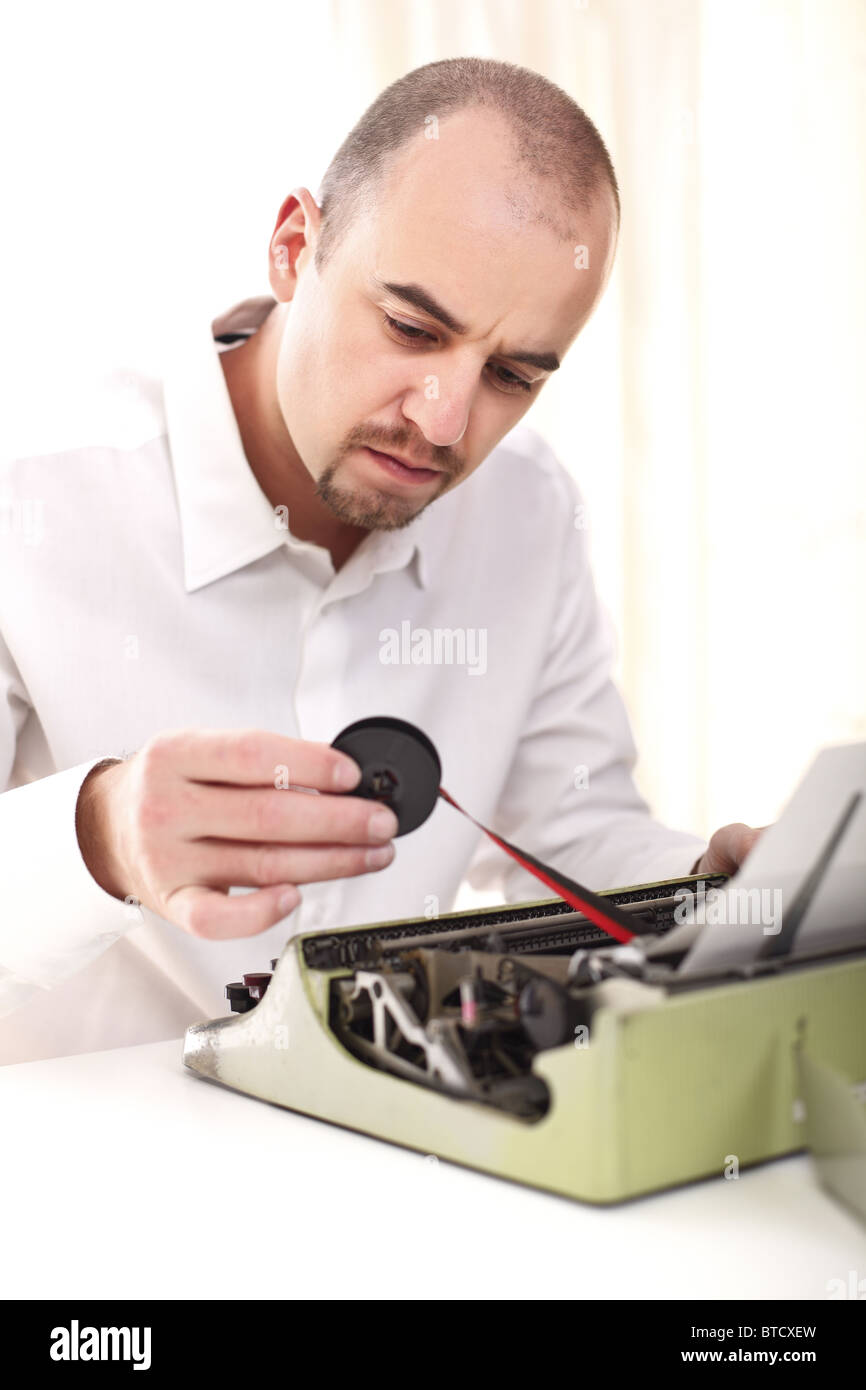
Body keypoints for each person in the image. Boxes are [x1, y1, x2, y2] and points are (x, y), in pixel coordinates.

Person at [0, 57, 762, 1064]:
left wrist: (706, 888)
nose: (442, 422)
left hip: (405, 1163)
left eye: (510, 374)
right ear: (292, 246)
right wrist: (94, 836)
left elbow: (569, 842)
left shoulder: (527, 510)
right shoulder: (35, 488)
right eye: (410, 327)